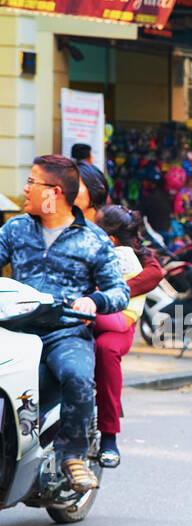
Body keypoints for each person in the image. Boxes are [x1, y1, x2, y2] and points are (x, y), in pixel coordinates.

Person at [0, 154, 129, 491]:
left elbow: (120, 292)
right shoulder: (14, 229)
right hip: (15, 331)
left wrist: (94, 300)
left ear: (54, 192)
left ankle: (72, 455)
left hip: (66, 333)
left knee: (76, 377)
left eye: (32, 182)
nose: (25, 189)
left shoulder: (94, 240)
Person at [93, 206, 159, 468]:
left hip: (114, 318)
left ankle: (109, 434)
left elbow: (155, 272)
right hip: (84, 311)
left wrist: (115, 293)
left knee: (105, 348)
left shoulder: (132, 253)